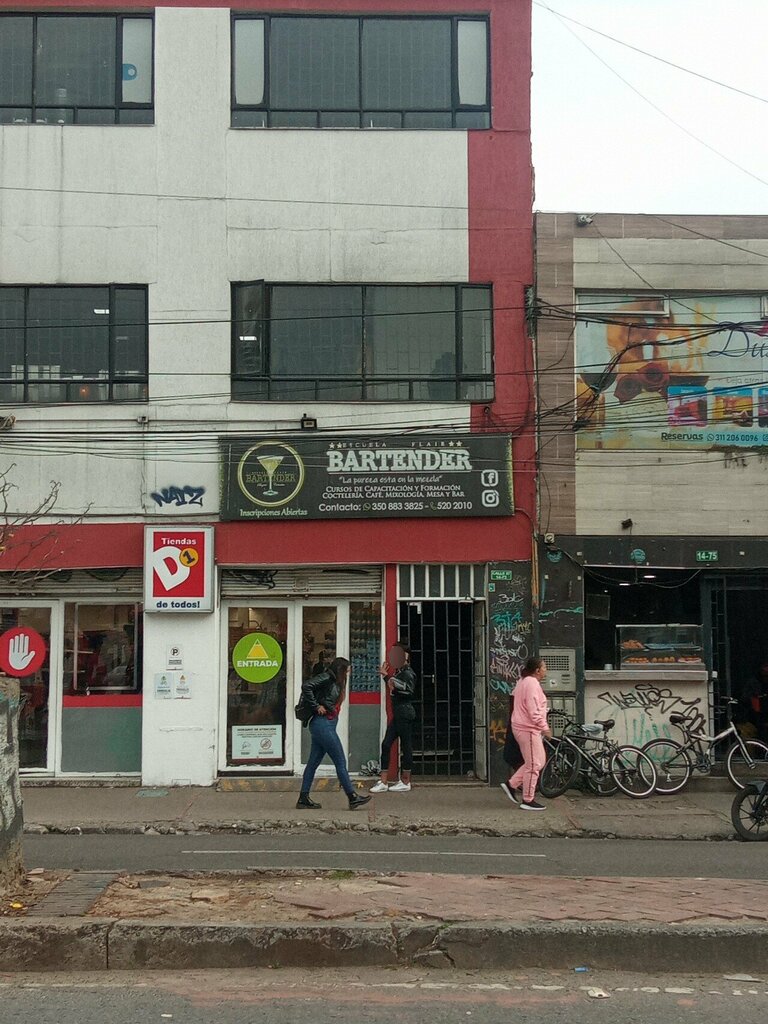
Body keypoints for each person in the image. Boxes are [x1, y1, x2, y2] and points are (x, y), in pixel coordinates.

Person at [296, 656, 372, 810]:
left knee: (312, 763)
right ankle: (352, 797)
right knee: (340, 761)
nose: (349, 673)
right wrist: (317, 706)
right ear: (341, 669)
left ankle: (303, 798)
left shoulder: (336, 681)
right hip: (323, 725)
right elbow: (307, 686)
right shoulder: (327, 677)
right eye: (347, 670)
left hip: (323, 725)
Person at [501, 656, 550, 811]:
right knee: (534, 764)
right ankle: (528, 799)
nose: (545, 670)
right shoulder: (531, 684)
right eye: (544, 667)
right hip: (528, 728)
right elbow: (533, 709)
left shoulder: (523, 681)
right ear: (537, 670)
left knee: (539, 761)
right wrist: (544, 727)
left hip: (525, 726)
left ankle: (512, 784)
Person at [370, 643, 417, 793]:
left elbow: (408, 691)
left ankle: (405, 781)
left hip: (404, 713)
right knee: (386, 744)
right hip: (398, 714)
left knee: (406, 746)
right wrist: (386, 677)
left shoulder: (408, 673)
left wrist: (391, 683)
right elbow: (394, 685)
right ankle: (383, 781)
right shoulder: (399, 671)